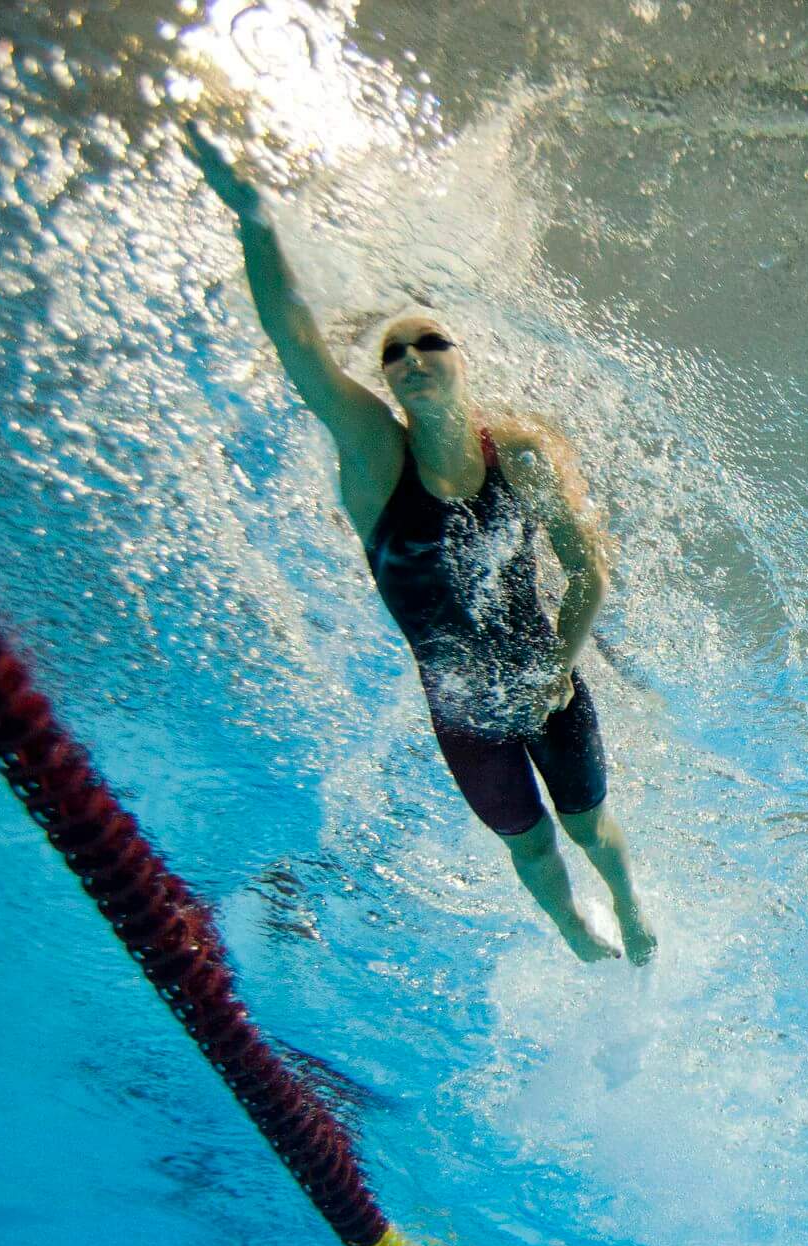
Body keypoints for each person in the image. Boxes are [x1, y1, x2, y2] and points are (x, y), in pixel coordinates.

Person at [186, 122, 656, 965]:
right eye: (392, 351)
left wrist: (560, 663)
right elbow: (298, 348)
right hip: (464, 715)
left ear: (460, 360)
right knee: (531, 848)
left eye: (426, 341)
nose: (406, 357)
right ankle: (572, 930)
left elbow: (589, 567)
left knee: (589, 827)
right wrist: (256, 220)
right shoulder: (374, 460)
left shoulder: (518, 454)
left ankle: (624, 898)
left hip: (547, 680)